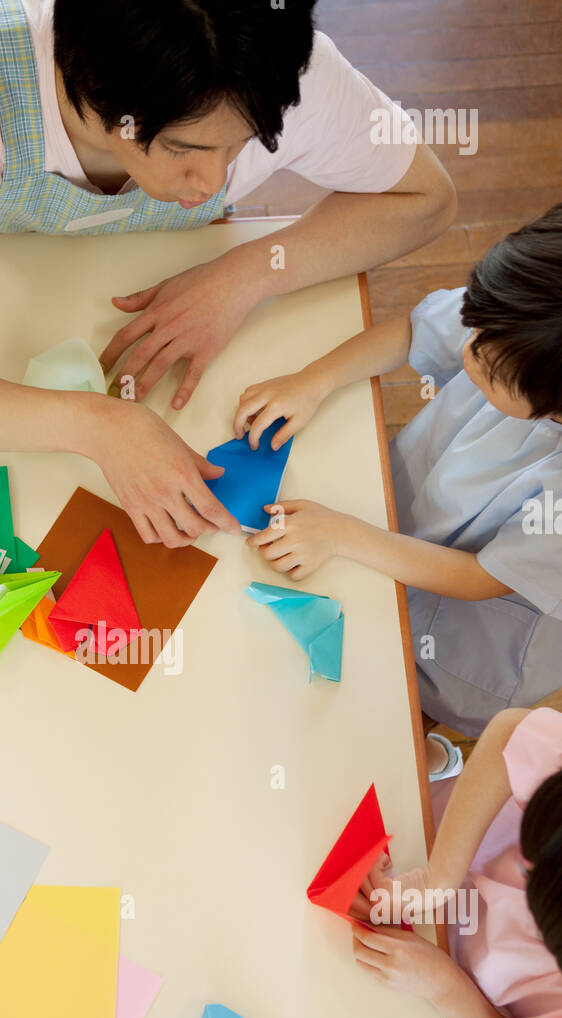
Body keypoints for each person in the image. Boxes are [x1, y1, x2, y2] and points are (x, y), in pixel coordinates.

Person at [0, 0, 456, 549]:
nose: (214, 181)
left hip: (94, 244)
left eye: (243, 147)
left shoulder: (271, 62)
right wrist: (100, 427)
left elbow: (427, 197)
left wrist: (247, 275)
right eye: (185, 150)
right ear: (100, 98)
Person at [235, 203, 562, 763]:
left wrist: (345, 536)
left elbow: (482, 579)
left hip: (474, 624)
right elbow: (417, 331)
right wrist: (313, 381)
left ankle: (429, 753)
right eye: (477, 327)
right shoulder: (520, 318)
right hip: (399, 528)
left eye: (490, 368)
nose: (467, 349)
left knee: (393, 706)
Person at [350, 706, 562, 1018]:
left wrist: (442, 982)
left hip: (459, 1017)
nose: (525, 872)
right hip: (453, 837)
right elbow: (513, 734)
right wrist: (437, 881)